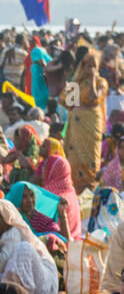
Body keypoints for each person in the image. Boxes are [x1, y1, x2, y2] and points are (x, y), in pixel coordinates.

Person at [0, 198, 59, 294]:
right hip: (10, 274)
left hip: (43, 285)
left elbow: (1, 266)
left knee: (24, 248)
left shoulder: (13, 233)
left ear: (6, 219)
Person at [65, 49, 107, 193]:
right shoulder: (77, 82)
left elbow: (94, 97)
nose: (91, 69)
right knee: (74, 155)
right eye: (88, 66)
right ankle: (74, 189)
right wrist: (73, 85)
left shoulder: (102, 82)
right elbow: (69, 104)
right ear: (83, 67)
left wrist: (93, 79)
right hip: (77, 123)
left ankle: (90, 188)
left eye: (94, 66)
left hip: (92, 123)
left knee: (91, 158)